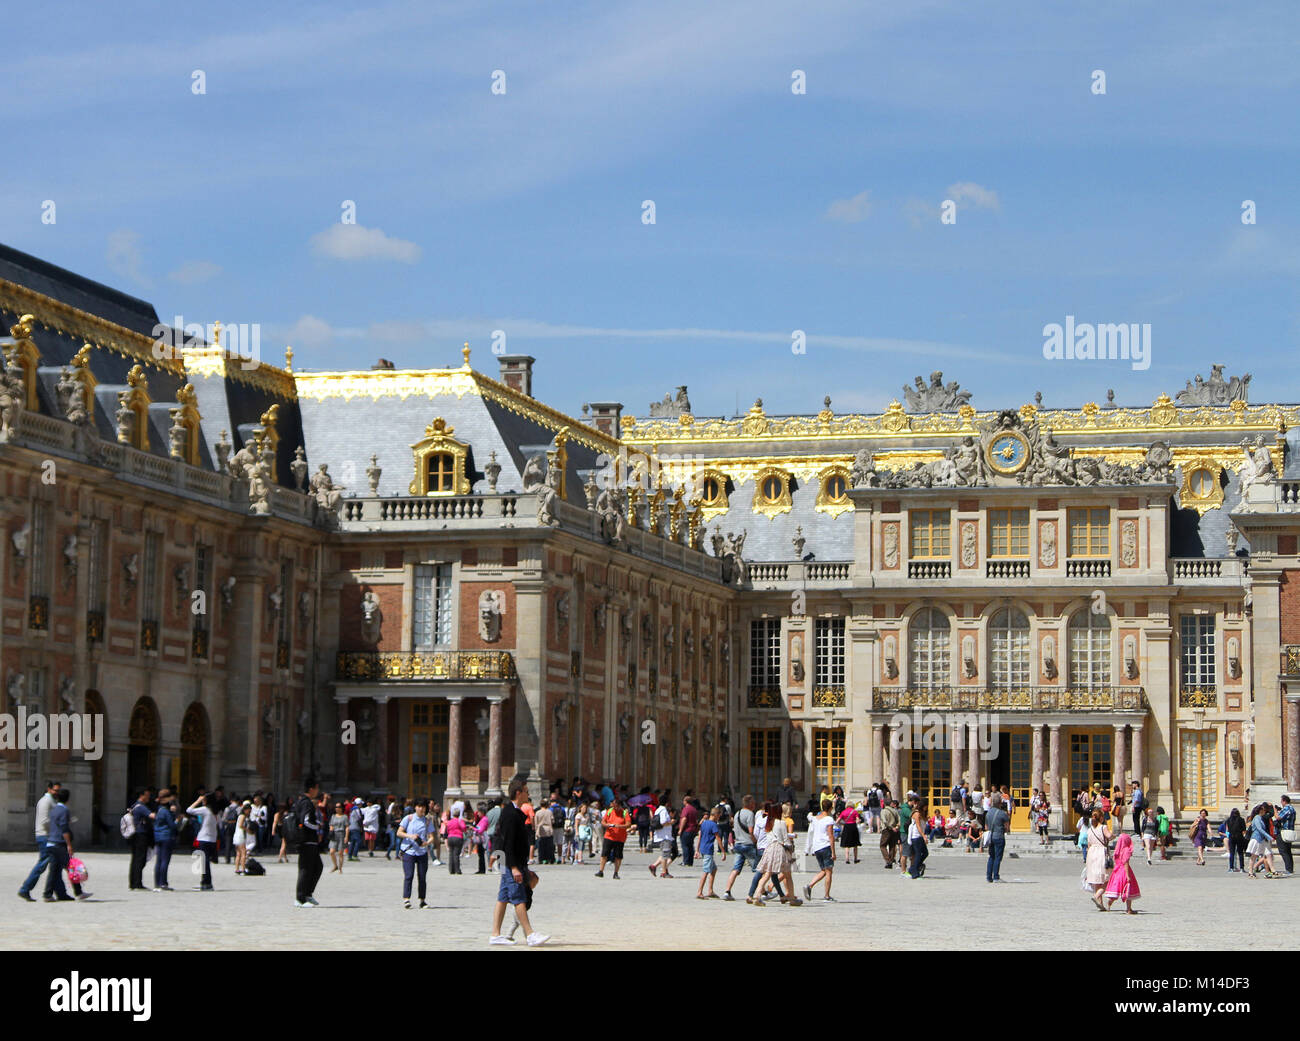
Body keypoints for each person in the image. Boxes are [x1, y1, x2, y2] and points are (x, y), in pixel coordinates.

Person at [489, 780, 548, 946]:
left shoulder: (514, 813)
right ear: (518, 793)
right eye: (526, 791)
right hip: (511, 864)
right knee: (518, 897)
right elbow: (508, 843)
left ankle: (495, 934)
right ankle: (530, 934)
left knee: (503, 898)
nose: (528, 795)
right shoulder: (509, 814)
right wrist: (514, 867)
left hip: (511, 862)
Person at [19, 780, 61, 902]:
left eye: (58, 790)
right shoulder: (46, 801)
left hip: (48, 836)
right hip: (45, 836)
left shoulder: (51, 801)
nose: (56, 793)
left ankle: (60, 892)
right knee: (43, 864)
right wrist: (57, 827)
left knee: (55, 864)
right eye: (55, 790)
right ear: (49, 789)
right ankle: (25, 888)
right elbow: (45, 821)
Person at [751, 803, 801, 907]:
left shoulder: (768, 823)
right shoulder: (781, 823)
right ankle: (792, 898)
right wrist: (790, 849)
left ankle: (757, 896)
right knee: (788, 875)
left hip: (769, 849)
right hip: (779, 849)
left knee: (767, 874)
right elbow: (785, 840)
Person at [397, 799, 434, 908]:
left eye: (423, 807)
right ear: (415, 807)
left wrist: (426, 843)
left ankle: (422, 900)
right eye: (419, 806)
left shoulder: (427, 821)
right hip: (408, 851)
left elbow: (432, 837)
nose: (421, 808)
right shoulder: (408, 818)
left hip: (422, 852)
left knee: (422, 877)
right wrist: (410, 836)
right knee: (409, 875)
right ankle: (406, 899)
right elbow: (399, 832)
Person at [294, 776, 325, 907]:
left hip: (309, 841)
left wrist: (316, 823)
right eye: (317, 788)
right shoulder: (306, 802)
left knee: (317, 866)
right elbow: (305, 821)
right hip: (307, 840)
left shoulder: (302, 801)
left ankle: (307, 894)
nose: (318, 791)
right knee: (305, 869)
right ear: (311, 789)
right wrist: (317, 826)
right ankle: (300, 898)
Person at [722, 795, 759, 900]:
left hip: (738, 844)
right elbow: (751, 831)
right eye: (754, 803)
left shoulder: (737, 813)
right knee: (757, 870)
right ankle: (762, 892)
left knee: (736, 869)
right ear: (750, 804)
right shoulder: (750, 814)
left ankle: (727, 891)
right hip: (748, 844)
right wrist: (755, 840)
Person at [43, 787, 76, 902]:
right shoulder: (64, 810)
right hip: (59, 843)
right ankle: (79, 891)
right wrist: (69, 844)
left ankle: (50, 894)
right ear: (68, 799)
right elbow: (64, 829)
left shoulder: (54, 809)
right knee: (71, 867)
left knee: (54, 870)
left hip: (51, 842)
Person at [803, 799, 836, 902]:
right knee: (829, 871)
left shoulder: (815, 819)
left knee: (824, 870)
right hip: (825, 846)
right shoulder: (829, 820)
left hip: (816, 847)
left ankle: (809, 886)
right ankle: (827, 895)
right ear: (831, 808)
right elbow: (831, 836)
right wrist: (833, 852)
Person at [187, 792, 219, 891]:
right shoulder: (215, 812)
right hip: (212, 839)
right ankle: (205, 881)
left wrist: (198, 801)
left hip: (204, 838)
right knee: (206, 862)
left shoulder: (205, 810)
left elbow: (189, 810)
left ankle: (206, 882)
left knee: (204, 862)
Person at [1103, 832, 1141, 914]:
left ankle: (1109, 902)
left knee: (1116, 889)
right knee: (1128, 889)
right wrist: (1128, 875)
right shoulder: (1126, 850)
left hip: (1117, 871)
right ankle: (1128, 909)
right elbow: (1126, 863)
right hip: (1124, 871)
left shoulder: (1118, 849)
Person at [1082, 809, 1112, 910]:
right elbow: (1109, 836)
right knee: (1107, 878)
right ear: (1101, 818)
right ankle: (1096, 896)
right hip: (1101, 852)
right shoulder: (1103, 827)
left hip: (1091, 853)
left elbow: (1089, 844)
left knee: (1096, 879)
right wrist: (1115, 835)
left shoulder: (1090, 830)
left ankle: (1100, 904)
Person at [595, 797, 630, 878]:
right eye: (614, 806)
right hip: (609, 836)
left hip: (620, 838)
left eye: (616, 806)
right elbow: (603, 821)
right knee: (604, 854)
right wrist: (606, 825)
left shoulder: (625, 813)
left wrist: (619, 826)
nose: (615, 808)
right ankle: (601, 871)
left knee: (618, 856)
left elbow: (628, 824)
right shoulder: (610, 811)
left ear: (620, 806)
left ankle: (616, 873)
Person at [695, 806, 722, 899]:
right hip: (708, 850)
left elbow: (700, 837)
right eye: (718, 816)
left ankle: (710, 890)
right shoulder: (713, 825)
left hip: (703, 848)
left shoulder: (704, 823)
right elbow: (718, 838)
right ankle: (699, 892)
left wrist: (697, 850)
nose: (718, 818)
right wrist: (723, 851)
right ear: (715, 815)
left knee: (713, 869)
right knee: (706, 871)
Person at [1246, 804, 1278, 878]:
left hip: (1262, 839)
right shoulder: (1257, 818)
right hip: (1256, 838)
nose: (1265, 811)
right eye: (1264, 810)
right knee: (1253, 855)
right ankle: (1250, 871)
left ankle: (1273, 870)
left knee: (1268, 854)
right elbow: (1259, 829)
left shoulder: (1260, 818)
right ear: (1260, 811)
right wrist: (1269, 837)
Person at [985, 793, 1010, 883]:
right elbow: (1007, 828)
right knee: (998, 857)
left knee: (991, 856)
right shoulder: (1003, 814)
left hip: (991, 837)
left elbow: (986, 827)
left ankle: (988, 877)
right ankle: (996, 876)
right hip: (999, 836)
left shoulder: (988, 813)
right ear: (1000, 803)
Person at [649, 797, 675, 878]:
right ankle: (664, 872)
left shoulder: (658, 810)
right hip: (665, 835)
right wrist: (671, 822)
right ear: (667, 803)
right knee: (665, 854)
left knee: (665, 853)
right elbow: (663, 822)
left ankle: (654, 866)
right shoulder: (663, 810)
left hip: (660, 834)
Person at [444, 807, 469, 874]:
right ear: (459, 814)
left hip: (450, 838)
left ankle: (451, 869)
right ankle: (457, 869)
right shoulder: (460, 821)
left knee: (451, 854)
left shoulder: (449, 822)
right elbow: (464, 828)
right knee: (456, 854)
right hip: (458, 838)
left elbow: (447, 830)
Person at [678, 795, 700, 869]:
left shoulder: (686, 809)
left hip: (687, 829)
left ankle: (686, 861)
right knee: (691, 845)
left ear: (685, 801)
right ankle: (690, 861)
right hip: (693, 829)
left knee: (685, 845)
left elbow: (684, 819)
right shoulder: (694, 809)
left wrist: (680, 829)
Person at [838, 798, 862, 864]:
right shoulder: (854, 812)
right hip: (853, 827)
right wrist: (856, 822)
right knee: (855, 844)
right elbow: (857, 820)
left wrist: (842, 823)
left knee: (846, 844)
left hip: (846, 827)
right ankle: (855, 858)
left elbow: (837, 821)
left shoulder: (843, 812)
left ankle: (847, 858)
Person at [1276, 795, 1295, 876]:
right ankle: (1290, 869)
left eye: (1281, 801)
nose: (1281, 803)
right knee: (1288, 851)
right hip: (1289, 832)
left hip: (1284, 832)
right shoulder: (1292, 808)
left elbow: (1278, 818)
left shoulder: (1287, 808)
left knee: (1283, 851)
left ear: (1284, 801)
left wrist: (1275, 810)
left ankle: (1288, 869)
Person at [879, 799, 901, 868]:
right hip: (894, 830)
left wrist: (891, 827)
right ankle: (891, 860)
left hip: (887, 829)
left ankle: (888, 860)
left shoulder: (883, 811)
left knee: (882, 845)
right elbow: (899, 820)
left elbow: (884, 821)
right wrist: (897, 827)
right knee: (892, 846)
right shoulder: (894, 811)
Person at [233, 801, 253, 875]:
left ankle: (237, 869)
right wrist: (248, 830)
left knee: (238, 853)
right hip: (240, 836)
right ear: (245, 810)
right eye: (249, 811)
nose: (249, 813)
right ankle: (243, 869)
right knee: (243, 853)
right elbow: (241, 825)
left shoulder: (240, 816)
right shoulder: (243, 816)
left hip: (236, 836)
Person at [1225, 808, 1247, 872]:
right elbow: (1244, 829)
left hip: (1231, 837)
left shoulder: (1229, 820)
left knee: (1232, 853)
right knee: (1240, 853)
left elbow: (1228, 829)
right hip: (1239, 837)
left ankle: (1231, 867)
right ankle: (1242, 868)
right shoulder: (1241, 819)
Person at [328, 802, 347, 872]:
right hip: (334, 835)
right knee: (331, 851)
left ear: (342, 808)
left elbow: (347, 827)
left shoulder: (345, 817)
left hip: (341, 834)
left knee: (340, 852)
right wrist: (330, 831)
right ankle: (335, 865)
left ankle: (340, 868)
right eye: (336, 807)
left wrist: (346, 837)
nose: (337, 808)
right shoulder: (333, 816)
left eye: (338, 807)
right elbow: (331, 825)